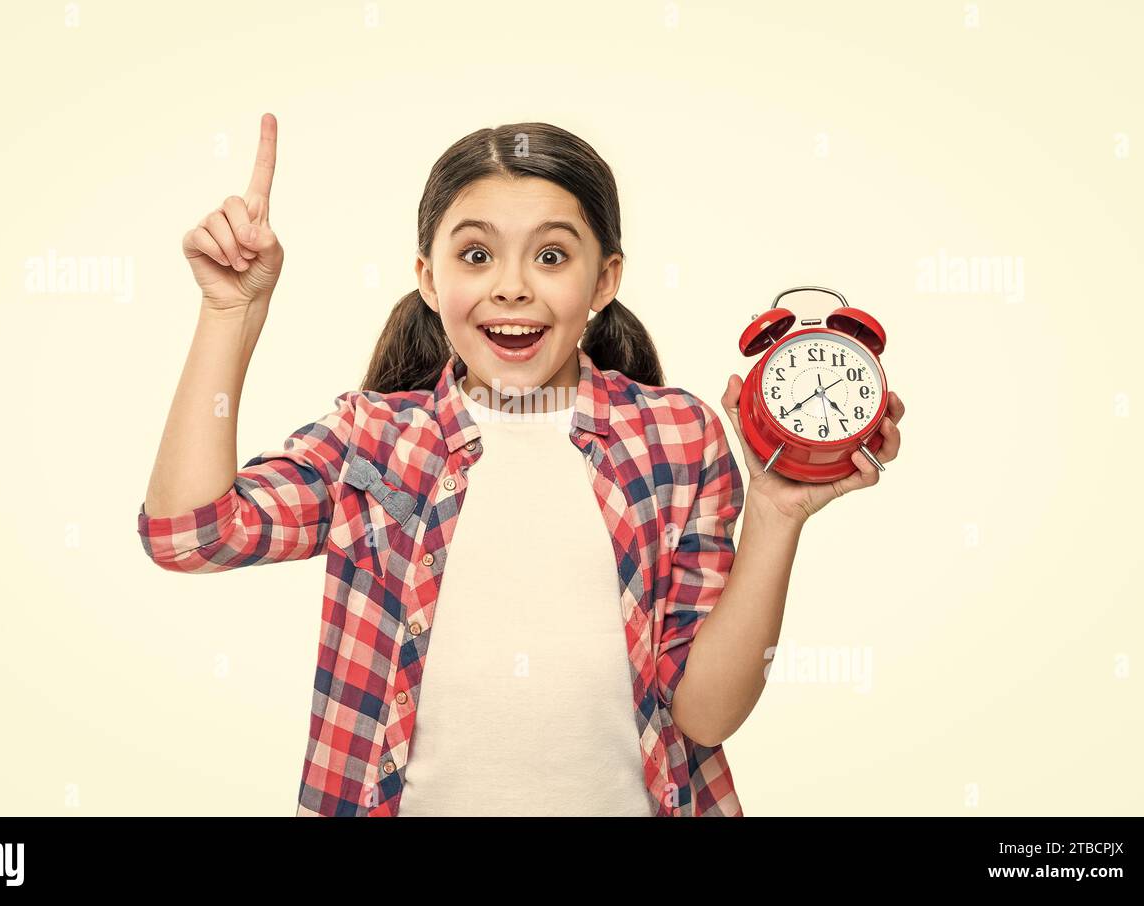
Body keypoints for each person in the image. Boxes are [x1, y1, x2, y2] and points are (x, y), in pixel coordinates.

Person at [137, 113, 906, 817]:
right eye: (477, 254)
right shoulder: (371, 440)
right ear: (430, 277)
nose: (512, 286)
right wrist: (229, 313)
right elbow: (187, 535)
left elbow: (703, 715)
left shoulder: (678, 438)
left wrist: (774, 516)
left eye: (550, 255)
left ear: (604, 279)